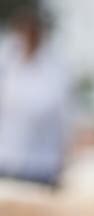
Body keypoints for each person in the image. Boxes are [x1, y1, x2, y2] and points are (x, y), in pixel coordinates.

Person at [0, 7, 70, 187]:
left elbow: (64, 119)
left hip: (41, 166)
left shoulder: (55, 70)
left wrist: (63, 159)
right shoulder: (8, 65)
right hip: (7, 160)